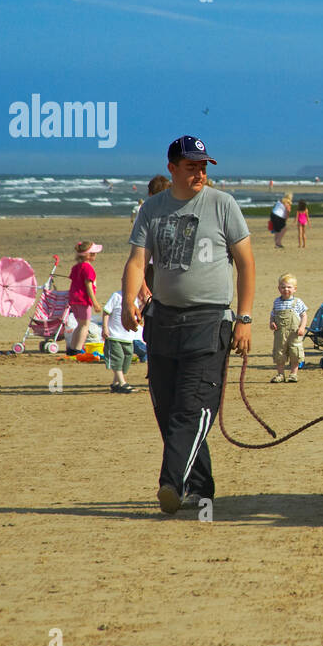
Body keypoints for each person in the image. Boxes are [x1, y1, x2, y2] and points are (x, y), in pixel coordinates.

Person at [123, 135, 255, 515]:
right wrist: (130, 301)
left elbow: (246, 263)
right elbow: (136, 261)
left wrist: (244, 318)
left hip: (209, 320)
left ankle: (171, 484)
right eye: (191, 166)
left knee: (191, 408)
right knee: (167, 410)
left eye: (203, 166)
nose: (199, 173)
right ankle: (200, 487)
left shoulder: (223, 204)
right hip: (162, 321)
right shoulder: (152, 208)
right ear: (172, 169)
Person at [268, 273, 309, 382]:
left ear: (295, 289)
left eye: (289, 287)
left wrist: (302, 327)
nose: (286, 289)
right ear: (279, 288)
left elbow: (304, 315)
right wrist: (272, 323)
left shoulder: (298, 302)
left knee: (295, 353)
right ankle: (280, 374)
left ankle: (293, 374)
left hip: (294, 333)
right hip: (280, 333)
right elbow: (273, 314)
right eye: (283, 287)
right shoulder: (277, 302)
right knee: (279, 353)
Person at [101, 288, 142, 392]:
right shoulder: (116, 295)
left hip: (128, 337)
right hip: (114, 335)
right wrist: (105, 328)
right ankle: (123, 383)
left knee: (126, 359)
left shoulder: (135, 298)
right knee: (117, 358)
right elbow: (106, 312)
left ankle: (116, 383)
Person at [67, 241, 104, 354]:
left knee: (80, 324)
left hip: (74, 299)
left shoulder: (76, 267)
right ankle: (77, 348)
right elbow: (88, 285)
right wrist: (95, 302)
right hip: (83, 300)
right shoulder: (88, 268)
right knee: (85, 325)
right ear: (89, 255)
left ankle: (72, 348)